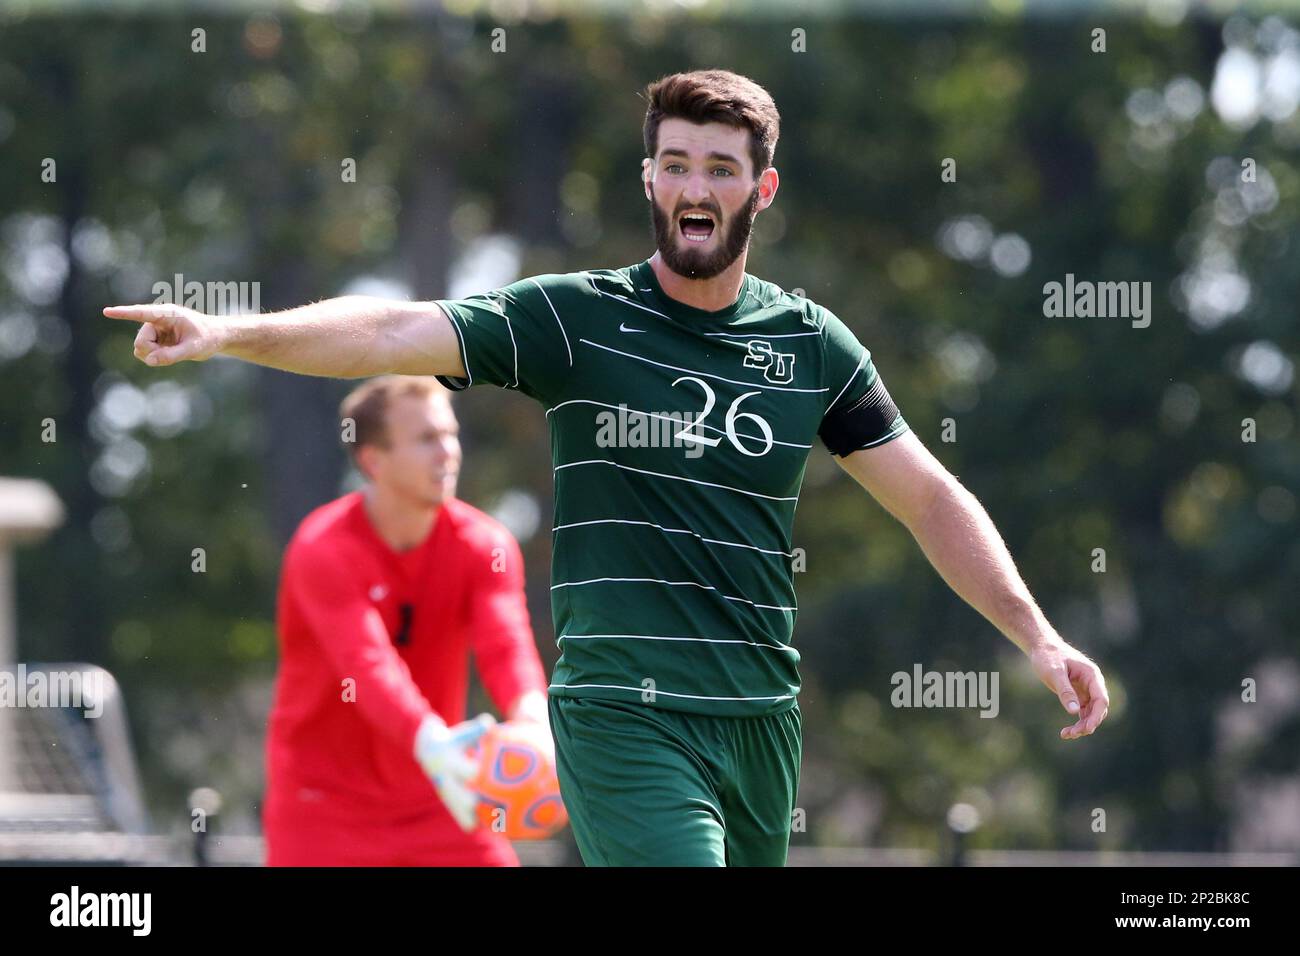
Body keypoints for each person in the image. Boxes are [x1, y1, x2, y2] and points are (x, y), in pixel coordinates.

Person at [106, 68, 1109, 867]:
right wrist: (227, 330)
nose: (693, 188)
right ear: (648, 179)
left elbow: (929, 496)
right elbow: (390, 327)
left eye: (720, 168)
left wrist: (1035, 632)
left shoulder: (813, 344)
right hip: (623, 714)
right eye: (674, 163)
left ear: (759, 189)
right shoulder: (573, 319)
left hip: (760, 721)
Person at [263, 374, 549, 866]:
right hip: (323, 807)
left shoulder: (485, 545)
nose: (447, 452)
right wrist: (430, 739)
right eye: (426, 439)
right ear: (373, 460)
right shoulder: (322, 547)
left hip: (441, 795)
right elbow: (366, 663)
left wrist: (532, 716)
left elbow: (506, 644)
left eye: (450, 434)